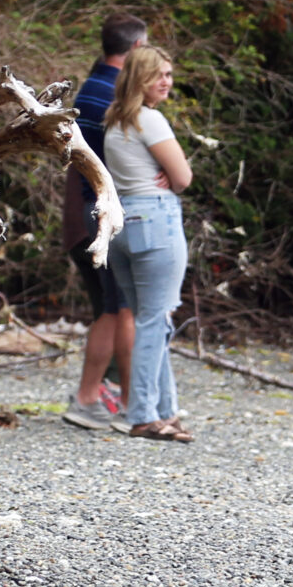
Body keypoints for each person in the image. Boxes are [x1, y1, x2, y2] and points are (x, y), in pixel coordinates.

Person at [102, 45, 194, 442]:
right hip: (156, 219)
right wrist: (169, 178)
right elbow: (184, 177)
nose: (167, 82)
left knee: (150, 321)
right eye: (159, 75)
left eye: (170, 75)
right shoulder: (150, 120)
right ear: (139, 78)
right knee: (154, 322)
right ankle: (142, 415)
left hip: (122, 224)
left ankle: (165, 411)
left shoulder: (114, 123)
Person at [61, 13, 148, 430]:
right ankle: (112, 400)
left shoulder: (93, 88)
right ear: (134, 49)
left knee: (111, 309)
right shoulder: (111, 96)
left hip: (86, 213)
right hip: (100, 215)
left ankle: (99, 395)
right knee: (120, 309)